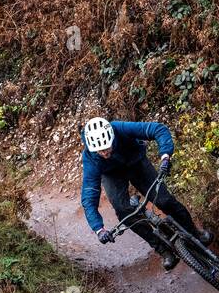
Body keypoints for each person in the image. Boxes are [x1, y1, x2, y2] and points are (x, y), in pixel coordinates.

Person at [80, 116, 212, 270]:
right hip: (112, 175)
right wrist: (99, 229)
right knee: (124, 212)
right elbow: (89, 196)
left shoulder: (119, 128)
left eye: (107, 147)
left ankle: (194, 233)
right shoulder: (90, 158)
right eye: (100, 151)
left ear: (112, 137)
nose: (104, 153)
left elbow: (158, 129)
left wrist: (165, 156)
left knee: (164, 200)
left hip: (136, 163)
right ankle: (163, 250)